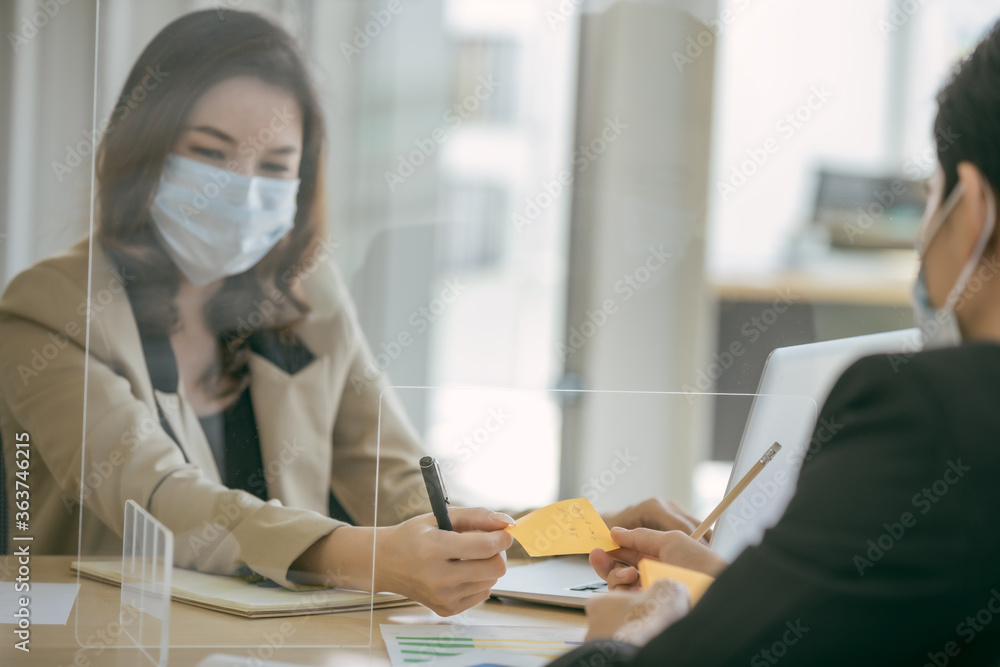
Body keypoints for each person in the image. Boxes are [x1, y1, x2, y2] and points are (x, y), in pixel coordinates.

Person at [552, 20, 1000, 667]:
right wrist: (747, 596)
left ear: (974, 206)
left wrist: (631, 637)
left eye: (932, 197)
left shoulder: (934, 418)